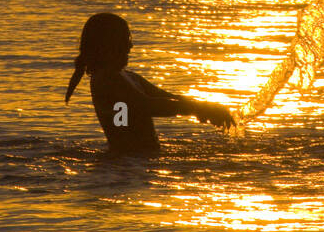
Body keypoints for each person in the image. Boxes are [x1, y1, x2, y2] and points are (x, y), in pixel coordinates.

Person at [65, 12, 234, 153]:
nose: (130, 46)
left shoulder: (129, 76)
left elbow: (169, 98)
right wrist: (198, 109)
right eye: (125, 39)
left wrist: (207, 108)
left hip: (137, 160)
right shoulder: (106, 79)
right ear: (108, 44)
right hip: (125, 162)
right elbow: (146, 105)